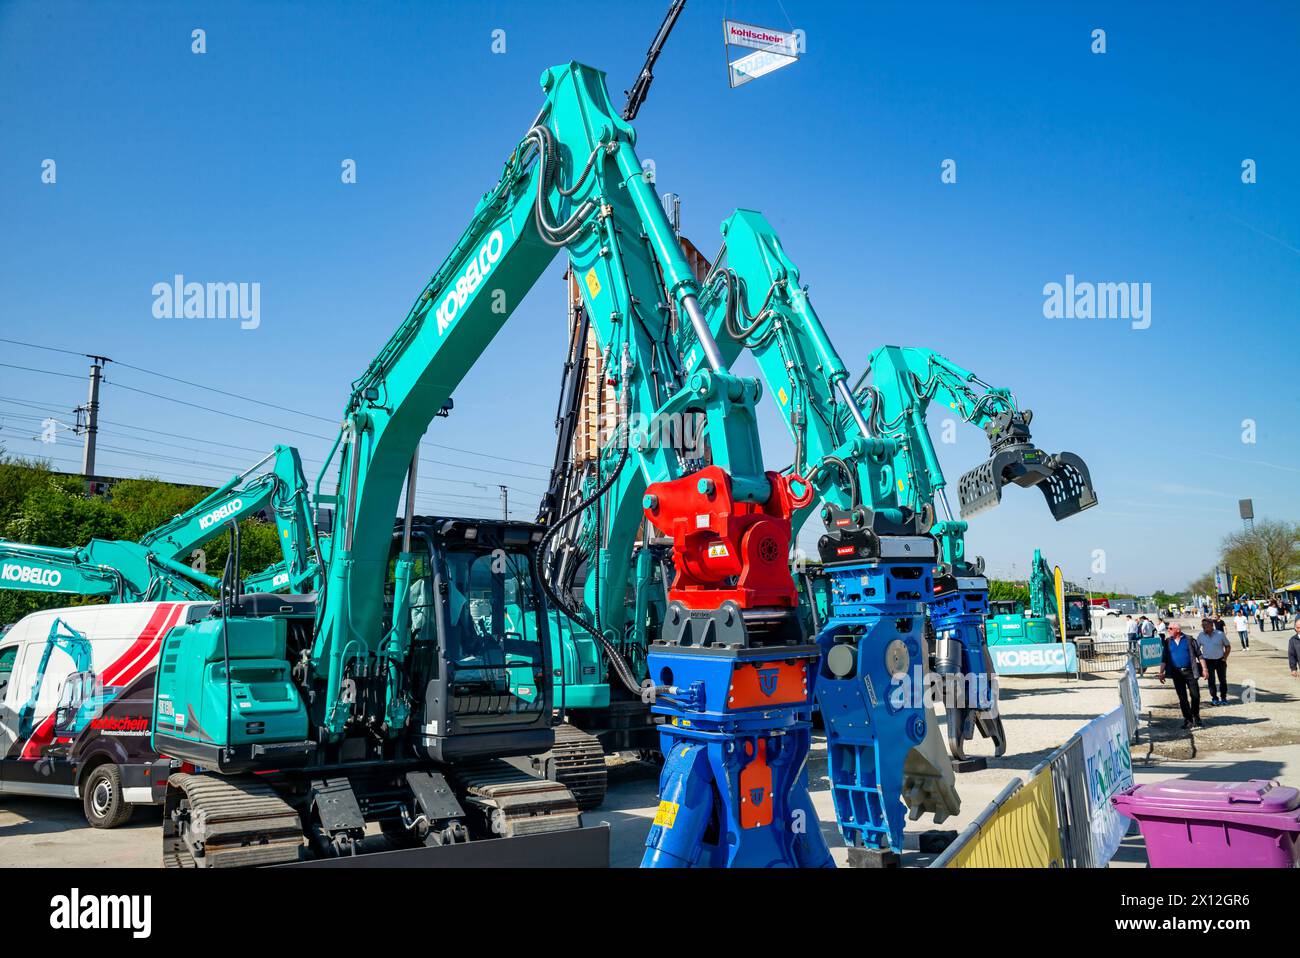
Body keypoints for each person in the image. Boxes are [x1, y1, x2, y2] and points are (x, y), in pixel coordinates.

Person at [1160, 623, 1205, 729]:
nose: (1168, 630)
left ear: (1178, 630)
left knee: (1195, 695)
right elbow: (1164, 658)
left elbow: (1199, 655)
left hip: (1190, 672)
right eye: (1168, 628)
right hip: (1176, 673)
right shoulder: (1168, 642)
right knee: (1182, 698)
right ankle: (1188, 719)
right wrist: (1161, 672)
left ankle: (1195, 714)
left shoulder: (1189, 639)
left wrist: (1205, 669)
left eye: (1170, 628)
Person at [1196, 617, 1231, 706]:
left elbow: (1227, 646)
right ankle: (1214, 698)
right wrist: (1201, 659)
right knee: (1211, 681)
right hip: (1208, 662)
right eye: (1203, 625)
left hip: (1220, 660)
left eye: (1206, 625)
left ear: (1212, 625)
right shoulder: (1201, 635)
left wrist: (1225, 657)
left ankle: (1223, 698)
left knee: (1222, 680)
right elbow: (1197, 649)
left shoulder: (1220, 634)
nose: (1204, 627)